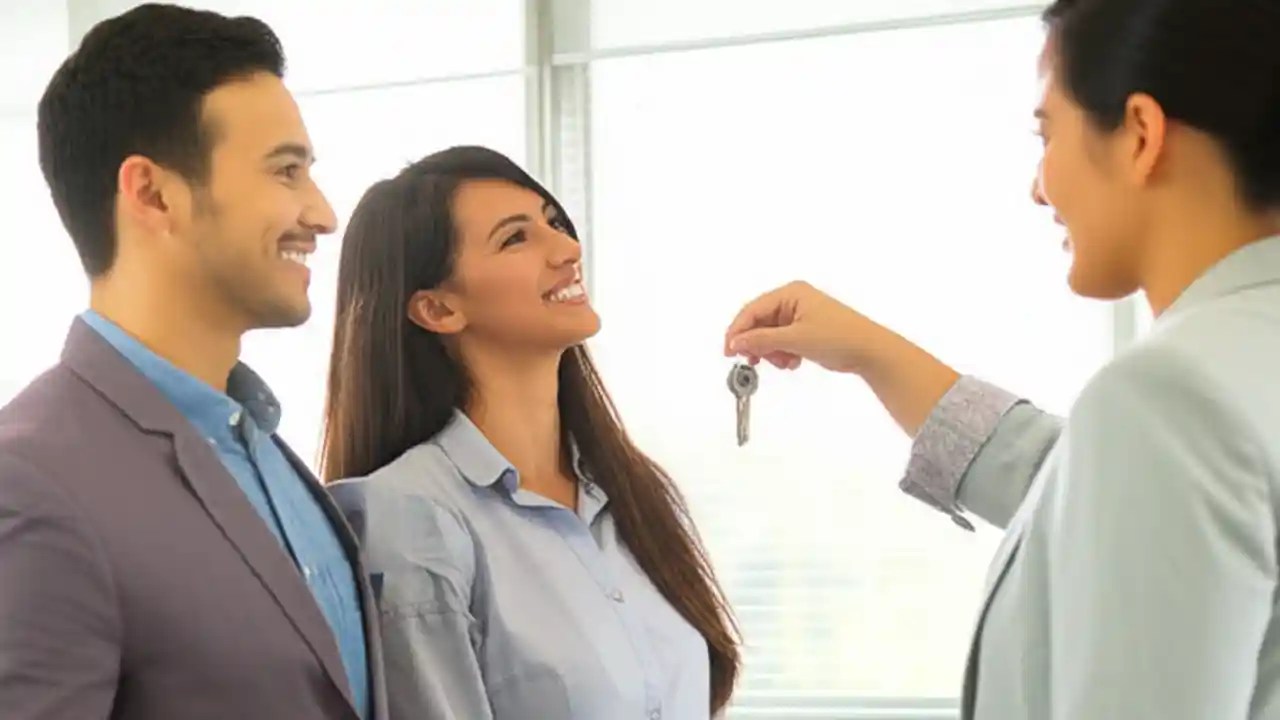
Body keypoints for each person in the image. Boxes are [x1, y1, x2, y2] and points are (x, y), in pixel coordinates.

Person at [726, 0, 1280, 718]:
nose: (1039, 186)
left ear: (1140, 135)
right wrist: (873, 354)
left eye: (1048, 133)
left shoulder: (1165, 397)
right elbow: (1091, 496)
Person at [0, 5, 386, 719]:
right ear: (151, 193)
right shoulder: (30, 482)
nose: (324, 212)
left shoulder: (266, 451)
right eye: (286, 171)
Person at [321, 145, 740, 719]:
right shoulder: (411, 514)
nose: (568, 250)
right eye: (516, 238)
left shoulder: (635, 496)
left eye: (554, 223)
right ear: (438, 309)